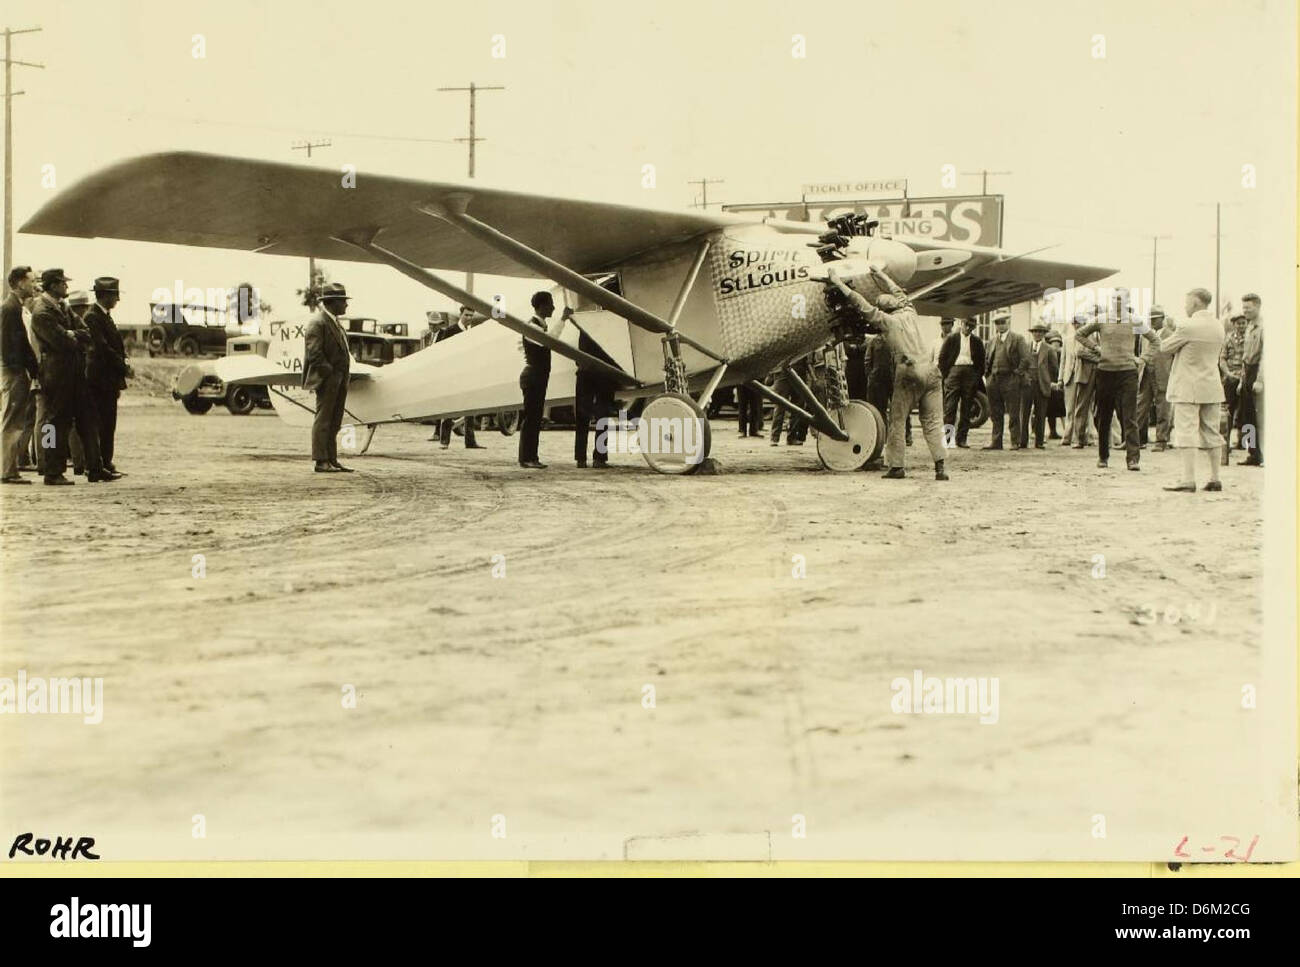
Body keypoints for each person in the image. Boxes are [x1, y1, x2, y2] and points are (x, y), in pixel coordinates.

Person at [828, 265, 948, 480]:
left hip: (909, 370)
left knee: (898, 420)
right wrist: (881, 275)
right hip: (931, 370)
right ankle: (940, 467)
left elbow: (860, 304)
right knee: (933, 421)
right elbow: (898, 291)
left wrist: (837, 283)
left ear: (886, 309)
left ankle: (897, 466)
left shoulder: (887, 322)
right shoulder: (910, 311)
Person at [29, 269, 110, 484]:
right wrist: (73, 336)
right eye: (62, 283)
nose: (66, 287)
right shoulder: (41, 311)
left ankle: (95, 467)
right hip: (56, 374)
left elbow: (85, 332)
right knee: (54, 422)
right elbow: (61, 341)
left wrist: (72, 335)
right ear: (53, 285)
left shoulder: (61, 307)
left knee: (88, 419)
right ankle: (51, 471)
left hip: (73, 372)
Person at [1074, 290, 1159, 470]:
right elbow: (1079, 334)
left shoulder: (1134, 320)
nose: (1117, 302)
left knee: (1130, 417)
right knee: (1103, 417)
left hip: (1128, 373)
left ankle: (1133, 459)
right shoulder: (1102, 319)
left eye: (1120, 299)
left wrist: (1142, 359)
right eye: (1114, 298)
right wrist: (1096, 348)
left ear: (1127, 301)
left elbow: (1155, 340)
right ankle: (1103, 457)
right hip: (1105, 372)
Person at [1159, 288, 1225, 492]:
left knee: (1186, 431)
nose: (1185, 306)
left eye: (1187, 303)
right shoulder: (1218, 326)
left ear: (1196, 303)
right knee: (1212, 431)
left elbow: (1164, 348)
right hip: (1211, 385)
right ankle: (1215, 478)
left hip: (1188, 387)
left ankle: (1188, 479)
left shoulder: (1187, 326)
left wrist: (1168, 330)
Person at [302, 282, 354, 473]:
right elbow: (314, 353)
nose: (346, 305)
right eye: (343, 301)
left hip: (339, 379)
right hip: (329, 379)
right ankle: (321, 461)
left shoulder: (333, 322)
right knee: (324, 419)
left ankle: (331, 459)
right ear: (333, 303)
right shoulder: (318, 323)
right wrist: (329, 373)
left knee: (334, 420)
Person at [82, 278, 132, 475]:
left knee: (108, 421)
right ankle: (97, 463)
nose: (117, 299)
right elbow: (102, 348)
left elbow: (115, 346)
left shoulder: (103, 316)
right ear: (104, 296)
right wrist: (123, 366)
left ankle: (105, 461)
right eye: (114, 295)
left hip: (108, 379)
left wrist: (124, 361)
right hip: (99, 380)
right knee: (101, 422)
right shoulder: (93, 317)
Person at [518, 290, 569, 469]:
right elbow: (549, 341)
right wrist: (563, 319)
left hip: (536, 377)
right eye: (551, 303)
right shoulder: (533, 327)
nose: (553, 307)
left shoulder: (537, 325)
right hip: (533, 377)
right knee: (532, 417)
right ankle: (527, 458)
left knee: (534, 416)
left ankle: (531, 457)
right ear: (542, 306)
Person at [1, 265, 40, 484]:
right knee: (12, 421)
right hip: (14, 372)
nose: (34, 285)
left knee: (15, 420)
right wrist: (22, 370)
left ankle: (10, 467)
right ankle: (7, 470)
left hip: (16, 371)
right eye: (31, 281)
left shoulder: (14, 307)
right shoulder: (10, 309)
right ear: (19, 283)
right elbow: (11, 346)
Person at [432, 305, 485, 450]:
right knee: (450, 407)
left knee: (471, 408)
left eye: (471, 315)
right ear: (460, 315)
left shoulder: (473, 332)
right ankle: (444, 441)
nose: (469, 318)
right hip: (453, 375)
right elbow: (440, 351)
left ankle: (470, 441)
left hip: (468, 374)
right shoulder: (449, 331)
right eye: (466, 315)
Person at [572, 320, 618, 468]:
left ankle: (581, 459)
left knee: (582, 416)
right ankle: (599, 458)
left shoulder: (583, 325)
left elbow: (579, 355)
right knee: (602, 416)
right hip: (604, 374)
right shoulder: (610, 326)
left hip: (585, 373)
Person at [981, 308, 1027, 450]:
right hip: (993, 379)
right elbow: (987, 359)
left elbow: (1025, 359)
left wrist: (1017, 374)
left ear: (1008, 322)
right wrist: (987, 376)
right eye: (997, 323)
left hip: (1010, 379)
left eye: (1002, 322)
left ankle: (1015, 441)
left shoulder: (1017, 338)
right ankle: (996, 441)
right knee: (995, 412)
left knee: (1013, 412)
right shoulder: (992, 341)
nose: (1000, 325)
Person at [937, 316, 985, 449]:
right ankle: (947, 440)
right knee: (950, 407)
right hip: (954, 373)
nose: (968, 328)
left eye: (972, 326)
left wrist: (976, 376)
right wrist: (947, 375)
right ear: (961, 324)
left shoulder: (977, 341)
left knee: (966, 408)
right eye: (966, 325)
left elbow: (982, 362)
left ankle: (961, 439)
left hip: (970, 374)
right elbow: (942, 358)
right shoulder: (952, 339)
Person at [1059, 314, 1100, 448]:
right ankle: (1067, 436)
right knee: (1070, 408)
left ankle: (1087, 436)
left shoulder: (1091, 339)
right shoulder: (1067, 339)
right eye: (1074, 323)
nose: (1077, 325)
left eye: (1080, 323)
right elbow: (1063, 360)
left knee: (1084, 407)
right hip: (1069, 376)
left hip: (1084, 374)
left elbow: (1094, 356)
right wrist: (1060, 378)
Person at [1135, 305, 1173, 450]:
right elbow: (1141, 352)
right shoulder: (1145, 335)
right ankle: (1137, 439)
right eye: (1150, 319)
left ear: (1163, 319)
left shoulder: (1171, 335)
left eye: (1155, 319)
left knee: (1162, 408)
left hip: (1163, 375)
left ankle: (1161, 441)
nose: (1152, 322)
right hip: (1146, 374)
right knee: (1140, 407)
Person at [1017, 319, 1058, 449]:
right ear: (1032, 333)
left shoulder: (1049, 349)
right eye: (1035, 332)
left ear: (1044, 334)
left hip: (1042, 384)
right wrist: (1024, 377)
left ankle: (1039, 442)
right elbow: (1021, 365)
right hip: (1027, 384)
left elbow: (1054, 368)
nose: (1037, 334)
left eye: (1040, 332)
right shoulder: (1025, 347)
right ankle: (1023, 441)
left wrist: (1049, 381)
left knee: (1041, 414)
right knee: (1024, 413)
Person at [1236, 293, 1262, 466]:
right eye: (1243, 307)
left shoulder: (1264, 327)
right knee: (1247, 416)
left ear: (1258, 306)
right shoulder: (1249, 326)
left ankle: (1264, 454)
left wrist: (1260, 380)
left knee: (1260, 417)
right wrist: (1241, 381)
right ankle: (1252, 453)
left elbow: (1266, 356)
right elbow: (1245, 358)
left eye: (1248, 308)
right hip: (1247, 373)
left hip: (1258, 371)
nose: (1245, 311)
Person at [1218, 312, 1247, 456]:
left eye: (1243, 323)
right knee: (1227, 411)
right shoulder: (1228, 338)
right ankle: (1225, 444)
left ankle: (1248, 444)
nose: (1241, 326)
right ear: (1234, 324)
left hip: (1246, 378)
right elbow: (1222, 359)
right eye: (1238, 323)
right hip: (1230, 379)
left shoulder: (1250, 337)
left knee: (1247, 411)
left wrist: (1243, 375)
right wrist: (1228, 373)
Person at [768, 357, 810, 446]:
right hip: (783, 371)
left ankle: (791, 437)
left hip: (797, 371)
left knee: (797, 406)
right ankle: (775, 437)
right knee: (781, 404)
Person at [1044, 330, 1065, 438]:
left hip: (1060, 384)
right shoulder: (1046, 354)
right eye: (1053, 342)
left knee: (1062, 409)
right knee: (1048, 409)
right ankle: (1052, 431)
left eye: (1058, 342)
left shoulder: (1062, 354)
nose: (1056, 345)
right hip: (1049, 384)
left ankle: (1066, 432)